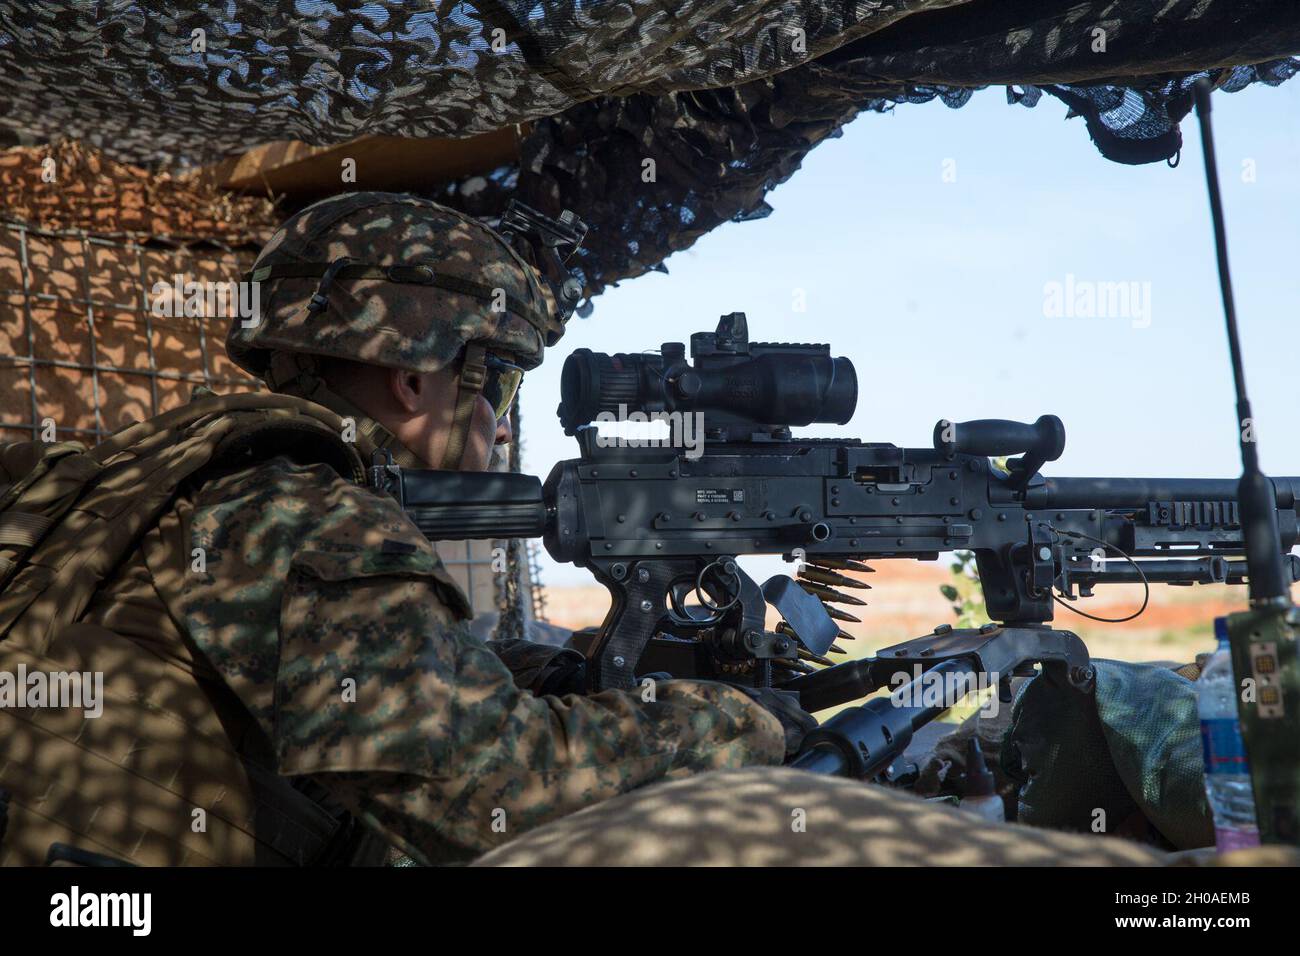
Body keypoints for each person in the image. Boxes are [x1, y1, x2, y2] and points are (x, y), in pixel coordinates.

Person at [0, 192, 798, 867]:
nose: (500, 423)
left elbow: (317, 663)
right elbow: (492, 796)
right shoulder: (308, 512)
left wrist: (533, 677)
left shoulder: (167, 465)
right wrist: (732, 723)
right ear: (416, 377)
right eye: (502, 383)